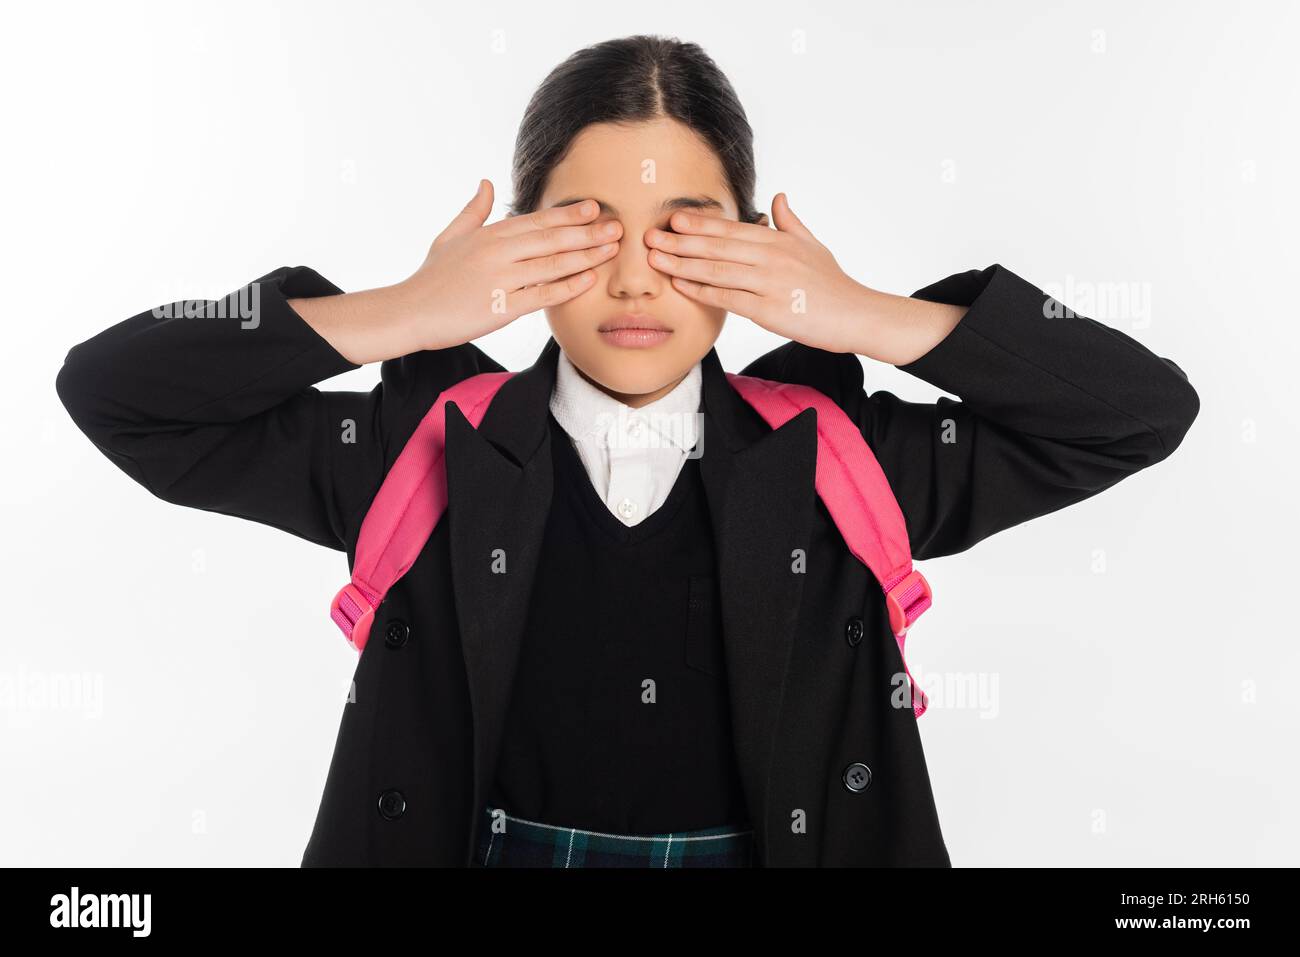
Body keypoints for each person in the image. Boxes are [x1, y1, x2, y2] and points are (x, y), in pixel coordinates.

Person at [54, 34, 1199, 867]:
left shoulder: (839, 456)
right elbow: (117, 395)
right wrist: (404, 311)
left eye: (686, 231)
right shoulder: (418, 444)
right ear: (516, 243)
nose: (637, 276)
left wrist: (864, 317)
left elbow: (1139, 412)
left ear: (756, 248)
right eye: (585, 229)